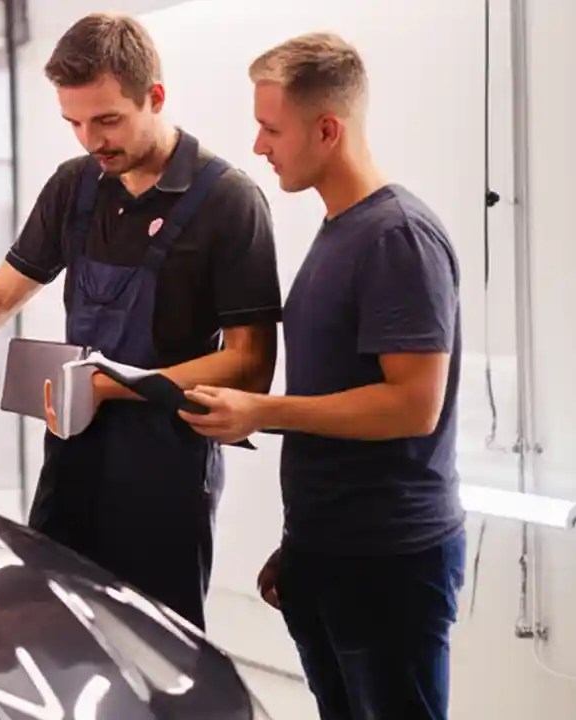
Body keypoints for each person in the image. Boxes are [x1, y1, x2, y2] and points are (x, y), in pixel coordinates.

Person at [0, 12, 283, 631]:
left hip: (166, 472)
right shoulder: (76, 187)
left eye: (108, 120)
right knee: (51, 630)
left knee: (156, 646)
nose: (90, 140)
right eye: (74, 123)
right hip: (72, 458)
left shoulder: (229, 202)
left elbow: (251, 364)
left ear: (155, 96)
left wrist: (105, 387)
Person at [180, 32, 466, 719]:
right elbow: (337, 392)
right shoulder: (342, 230)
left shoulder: (397, 236)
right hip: (332, 550)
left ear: (328, 130)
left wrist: (262, 411)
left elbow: (413, 405)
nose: (258, 146)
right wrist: (302, 545)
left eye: (271, 129)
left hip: (389, 562)